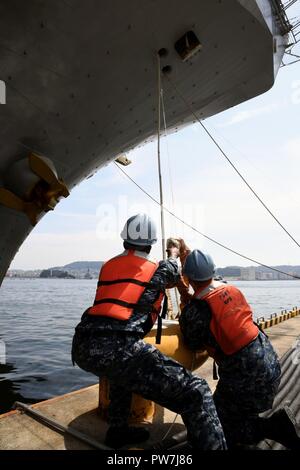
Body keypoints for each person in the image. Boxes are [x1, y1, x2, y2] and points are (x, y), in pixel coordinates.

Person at [71, 215, 227, 450]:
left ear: (125, 238)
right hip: (119, 346)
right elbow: (174, 268)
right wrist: (175, 249)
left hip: (83, 346)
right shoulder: (157, 269)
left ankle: (117, 431)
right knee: (196, 391)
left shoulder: (108, 266)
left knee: (121, 374)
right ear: (151, 242)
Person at [179, 249, 300, 449]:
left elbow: (192, 343)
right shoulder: (232, 290)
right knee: (230, 410)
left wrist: (185, 304)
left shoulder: (195, 312)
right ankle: (248, 417)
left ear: (188, 278)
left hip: (247, 382)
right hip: (270, 366)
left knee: (210, 427)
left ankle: (273, 427)